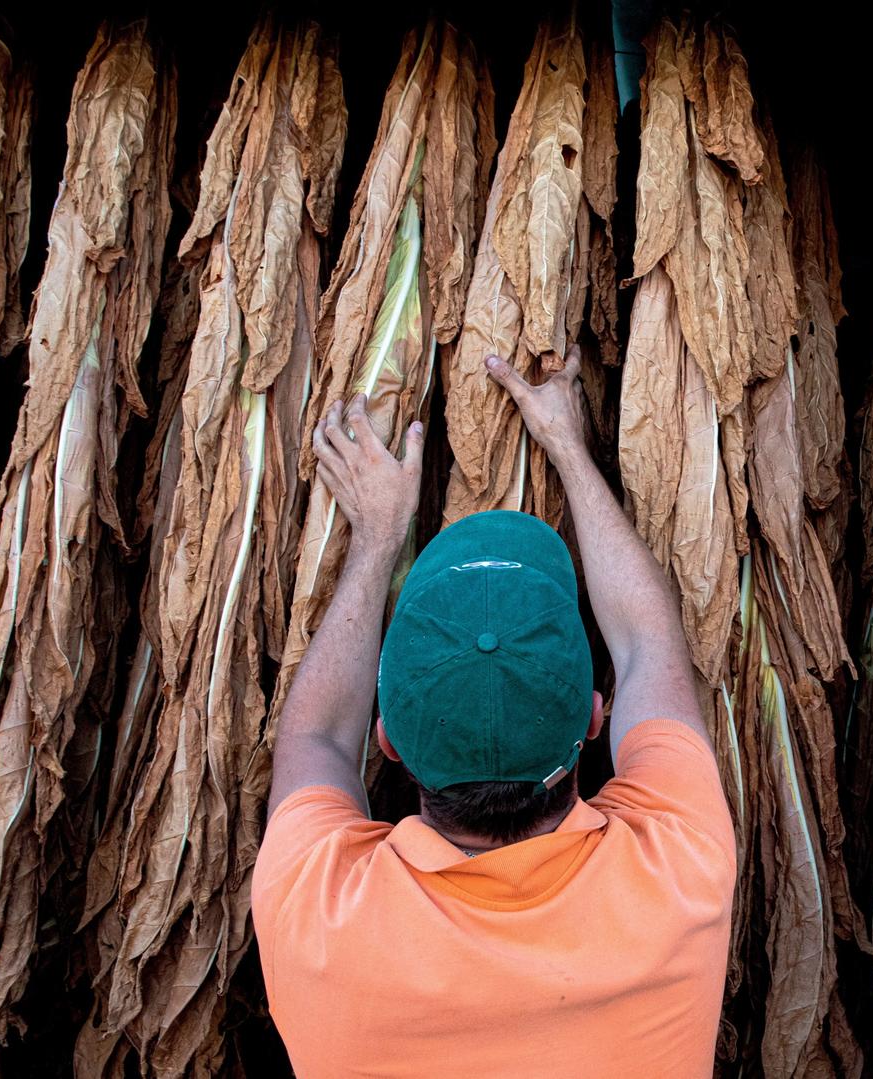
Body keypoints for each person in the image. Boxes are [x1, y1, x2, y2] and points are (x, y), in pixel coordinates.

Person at [251, 347, 734, 1077]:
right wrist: (569, 448)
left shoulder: (317, 917)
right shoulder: (679, 874)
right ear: (594, 719)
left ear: (390, 742)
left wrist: (376, 537)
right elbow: (646, 644)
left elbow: (316, 735)